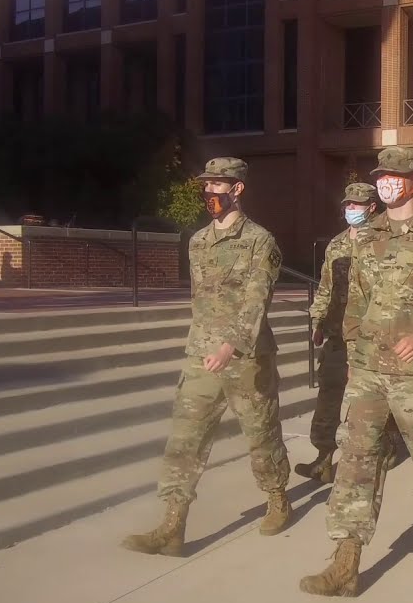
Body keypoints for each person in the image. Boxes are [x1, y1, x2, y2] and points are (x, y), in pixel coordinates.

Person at [300, 146, 413, 597]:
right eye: (381, 176)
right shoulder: (366, 236)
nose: (387, 183)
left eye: (395, 175)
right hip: (371, 368)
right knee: (357, 458)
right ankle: (345, 560)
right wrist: (354, 357)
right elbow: (356, 301)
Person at [121, 157, 291, 557]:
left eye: (217, 184)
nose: (209, 192)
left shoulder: (260, 241)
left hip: (247, 357)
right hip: (201, 354)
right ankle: (172, 524)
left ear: (237, 189)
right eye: (207, 185)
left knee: (261, 434)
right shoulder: (197, 241)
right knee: (185, 438)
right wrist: (205, 343)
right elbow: (200, 299)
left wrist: (231, 344)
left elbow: (257, 298)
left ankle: (277, 498)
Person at [297, 182, 397, 484]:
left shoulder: (383, 242)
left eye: (356, 204)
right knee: (329, 393)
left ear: (372, 207)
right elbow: (325, 286)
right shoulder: (337, 244)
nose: (350, 209)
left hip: (370, 336)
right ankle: (324, 457)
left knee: (368, 398)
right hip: (337, 334)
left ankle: (380, 448)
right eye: (347, 204)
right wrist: (317, 320)